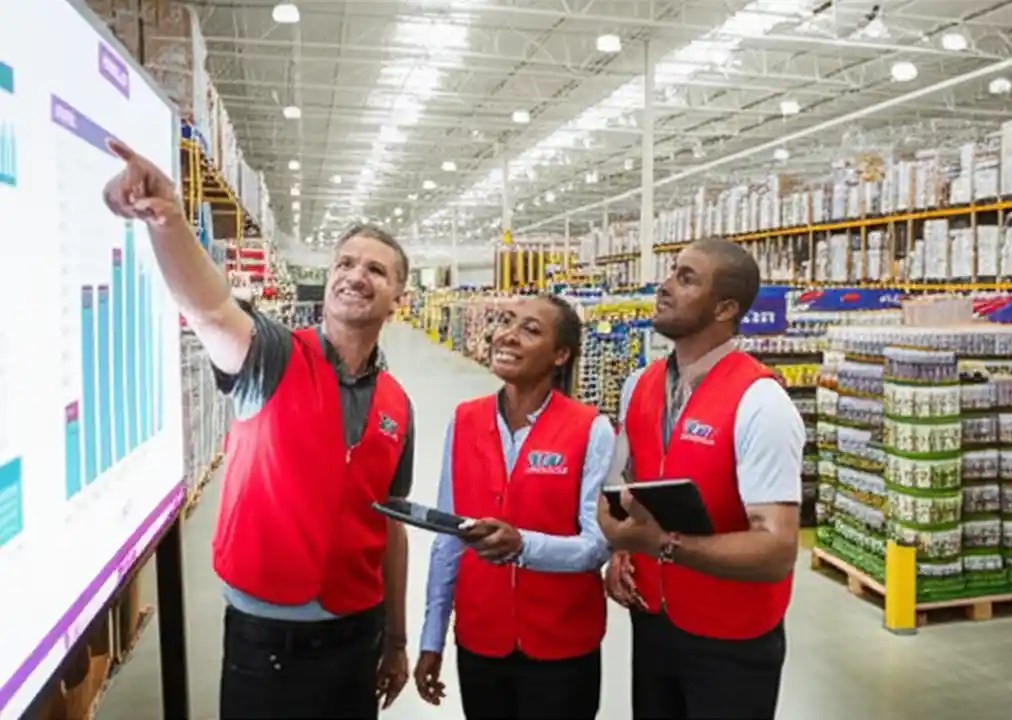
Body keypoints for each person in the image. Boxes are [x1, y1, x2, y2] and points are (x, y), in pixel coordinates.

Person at [102, 141, 415, 720]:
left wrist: (395, 639)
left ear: (400, 298)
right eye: (345, 263)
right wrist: (169, 221)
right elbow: (213, 311)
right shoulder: (273, 357)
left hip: (356, 635)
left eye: (376, 269)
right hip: (267, 643)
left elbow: (392, 527)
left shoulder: (398, 404)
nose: (355, 275)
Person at [598, 238, 805, 720]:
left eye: (686, 278)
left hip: (732, 639)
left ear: (725, 308)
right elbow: (624, 486)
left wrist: (663, 545)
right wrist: (621, 548)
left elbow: (776, 551)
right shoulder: (640, 385)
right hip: (654, 621)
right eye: (671, 272)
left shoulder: (761, 403)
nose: (665, 286)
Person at [414, 294, 613, 719]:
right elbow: (449, 541)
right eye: (506, 322)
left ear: (561, 355)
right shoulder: (465, 421)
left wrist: (523, 546)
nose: (508, 335)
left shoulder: (590, 430)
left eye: (531, 329)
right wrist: (432, 638)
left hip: (561, 646)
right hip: (482, 641)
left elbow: (597, 545)